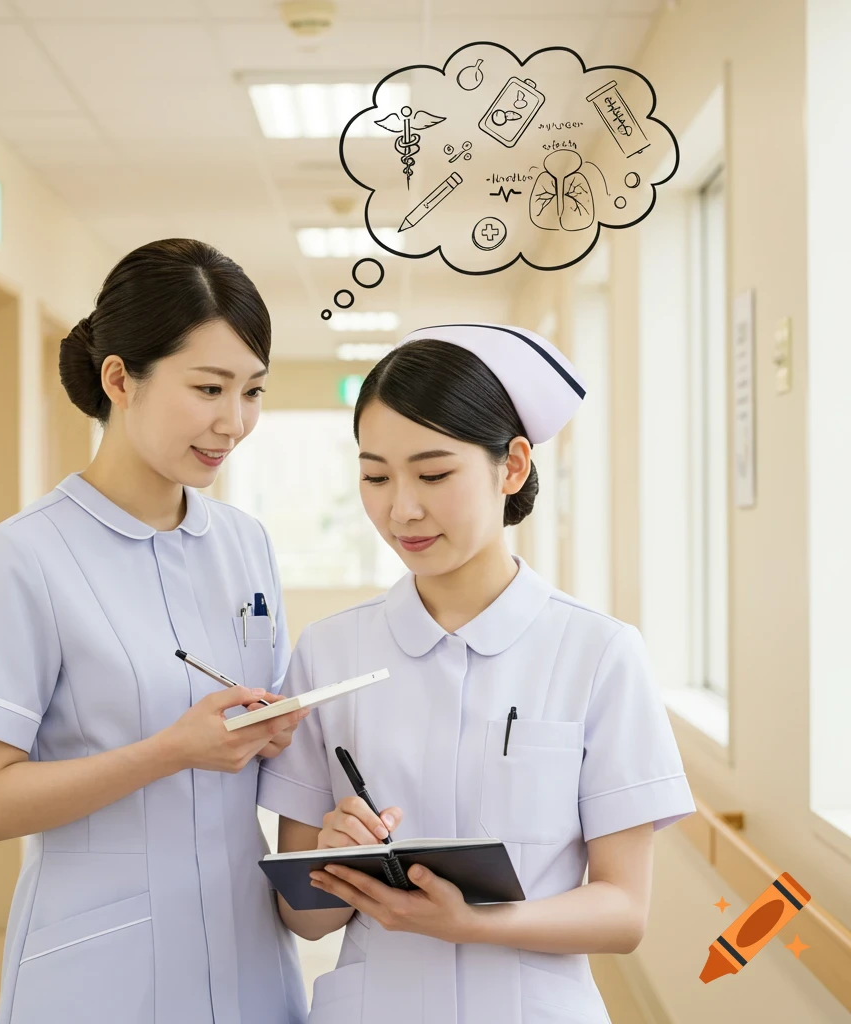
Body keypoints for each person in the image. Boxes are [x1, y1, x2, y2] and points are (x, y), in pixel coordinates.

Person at [258, 323, 696, 1024]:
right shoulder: (329, 653)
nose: (401, 508)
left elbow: (622, 912)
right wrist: (335, 863)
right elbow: (304, 920)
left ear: (512, 467)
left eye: (433, 474)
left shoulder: (597, 652)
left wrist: (474, 925)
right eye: (375, 476)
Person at [0, 239, 309, 1024]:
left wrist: (276, 733)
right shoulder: (26, 555)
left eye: (252, 391)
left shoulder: (245, 543)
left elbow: (257, 732)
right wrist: (171, 751)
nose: (233, 422)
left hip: (246, 942)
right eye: (208, 387)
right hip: (101, 966)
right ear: (119, 380)